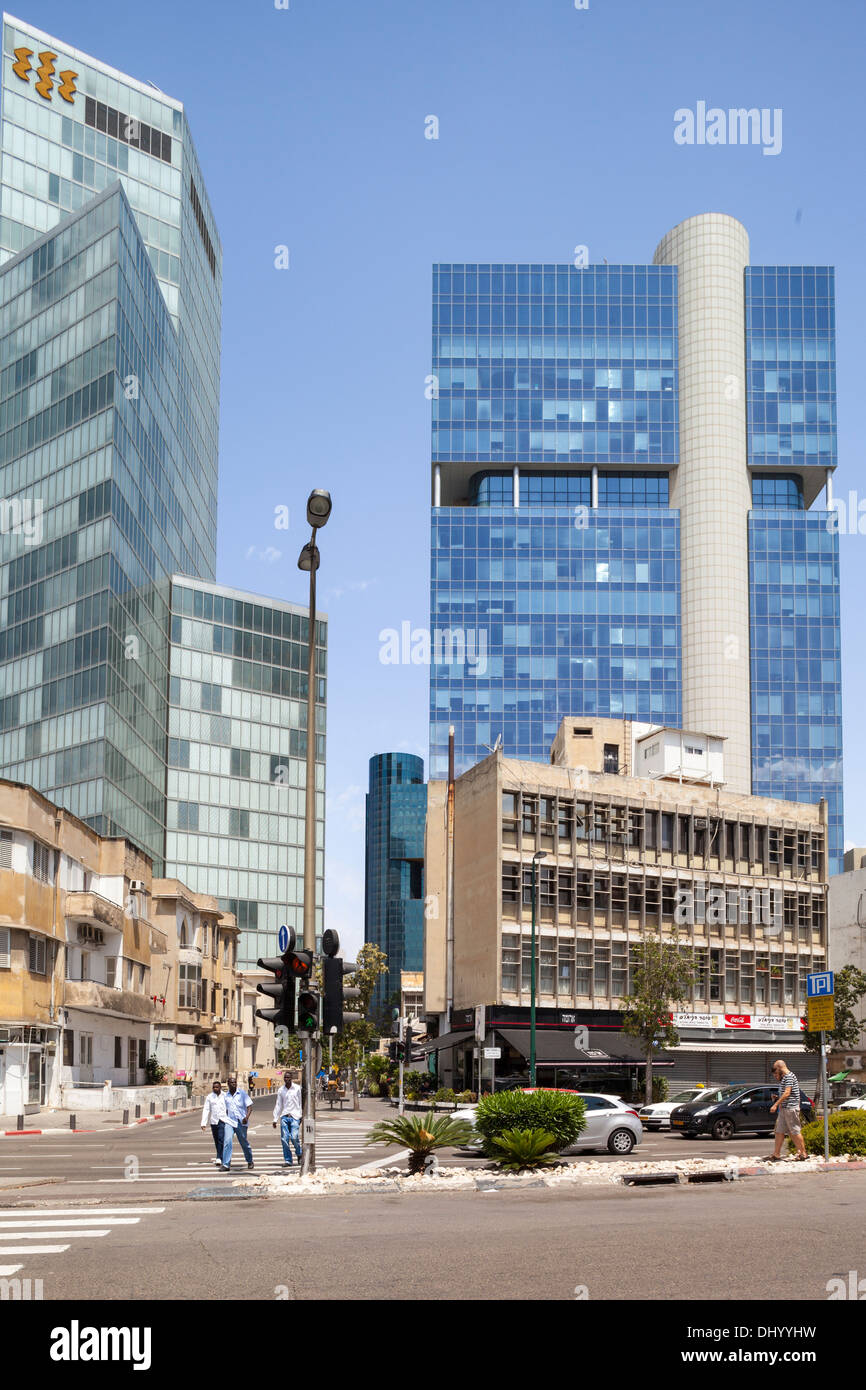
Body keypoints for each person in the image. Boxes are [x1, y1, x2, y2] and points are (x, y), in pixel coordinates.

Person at [769, 1058, 808, 1161]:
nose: (775, 1073)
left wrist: (775, 1104)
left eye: (775, 1070)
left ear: (779, 1068)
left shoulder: (789, 1076)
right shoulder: (785, 1078)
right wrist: (778, 1099)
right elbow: (785, 1094)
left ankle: (803, 1153)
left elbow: (787, 1093)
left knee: (794, 1131)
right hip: (784, 1108)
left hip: (790, 1108)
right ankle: (776, 1154)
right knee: (779, 1131)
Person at [222, 1075, 254, 1170]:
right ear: (228, 1084)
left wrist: (246, 1117)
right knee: (227, 1141)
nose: (234, 1084)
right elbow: (225, 1109)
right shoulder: (226, 1096)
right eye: (231, 1083)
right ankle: (226, 1164)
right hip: (230, 1121)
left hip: (241, 1122)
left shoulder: (242, 1094)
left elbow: (249, 1107)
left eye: (235, 1082)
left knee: (244, 1142)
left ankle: (249, 1160)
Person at [272, 1069, 303, 1167]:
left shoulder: (297, 1089)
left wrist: (301, 1115)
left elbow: (301, 1102)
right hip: (285, 1116)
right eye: (285, 1077)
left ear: (291, 1078)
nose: (287, 1079)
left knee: (294, 1137)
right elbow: (278, 1105)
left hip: (295, 1116)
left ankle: (299, 1153)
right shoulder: (281, 1090)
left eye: (288, 1077)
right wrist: (275, 1119)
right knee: (284, 1139)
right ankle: (288, 1160)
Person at [201, 1080, 230, 1169]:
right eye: (214, 1087)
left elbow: (229, 1108)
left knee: (221, 1139)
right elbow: (206, 1109)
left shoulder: (225, 1096)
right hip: (213, 1121)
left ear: (220, 1087)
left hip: (223, 1120)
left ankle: (218, 1157)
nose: (215, 1089)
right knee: (216, 1140)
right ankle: (221, 1156)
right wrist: (203, 1123)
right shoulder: (210, 1097)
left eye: (217, 1087)